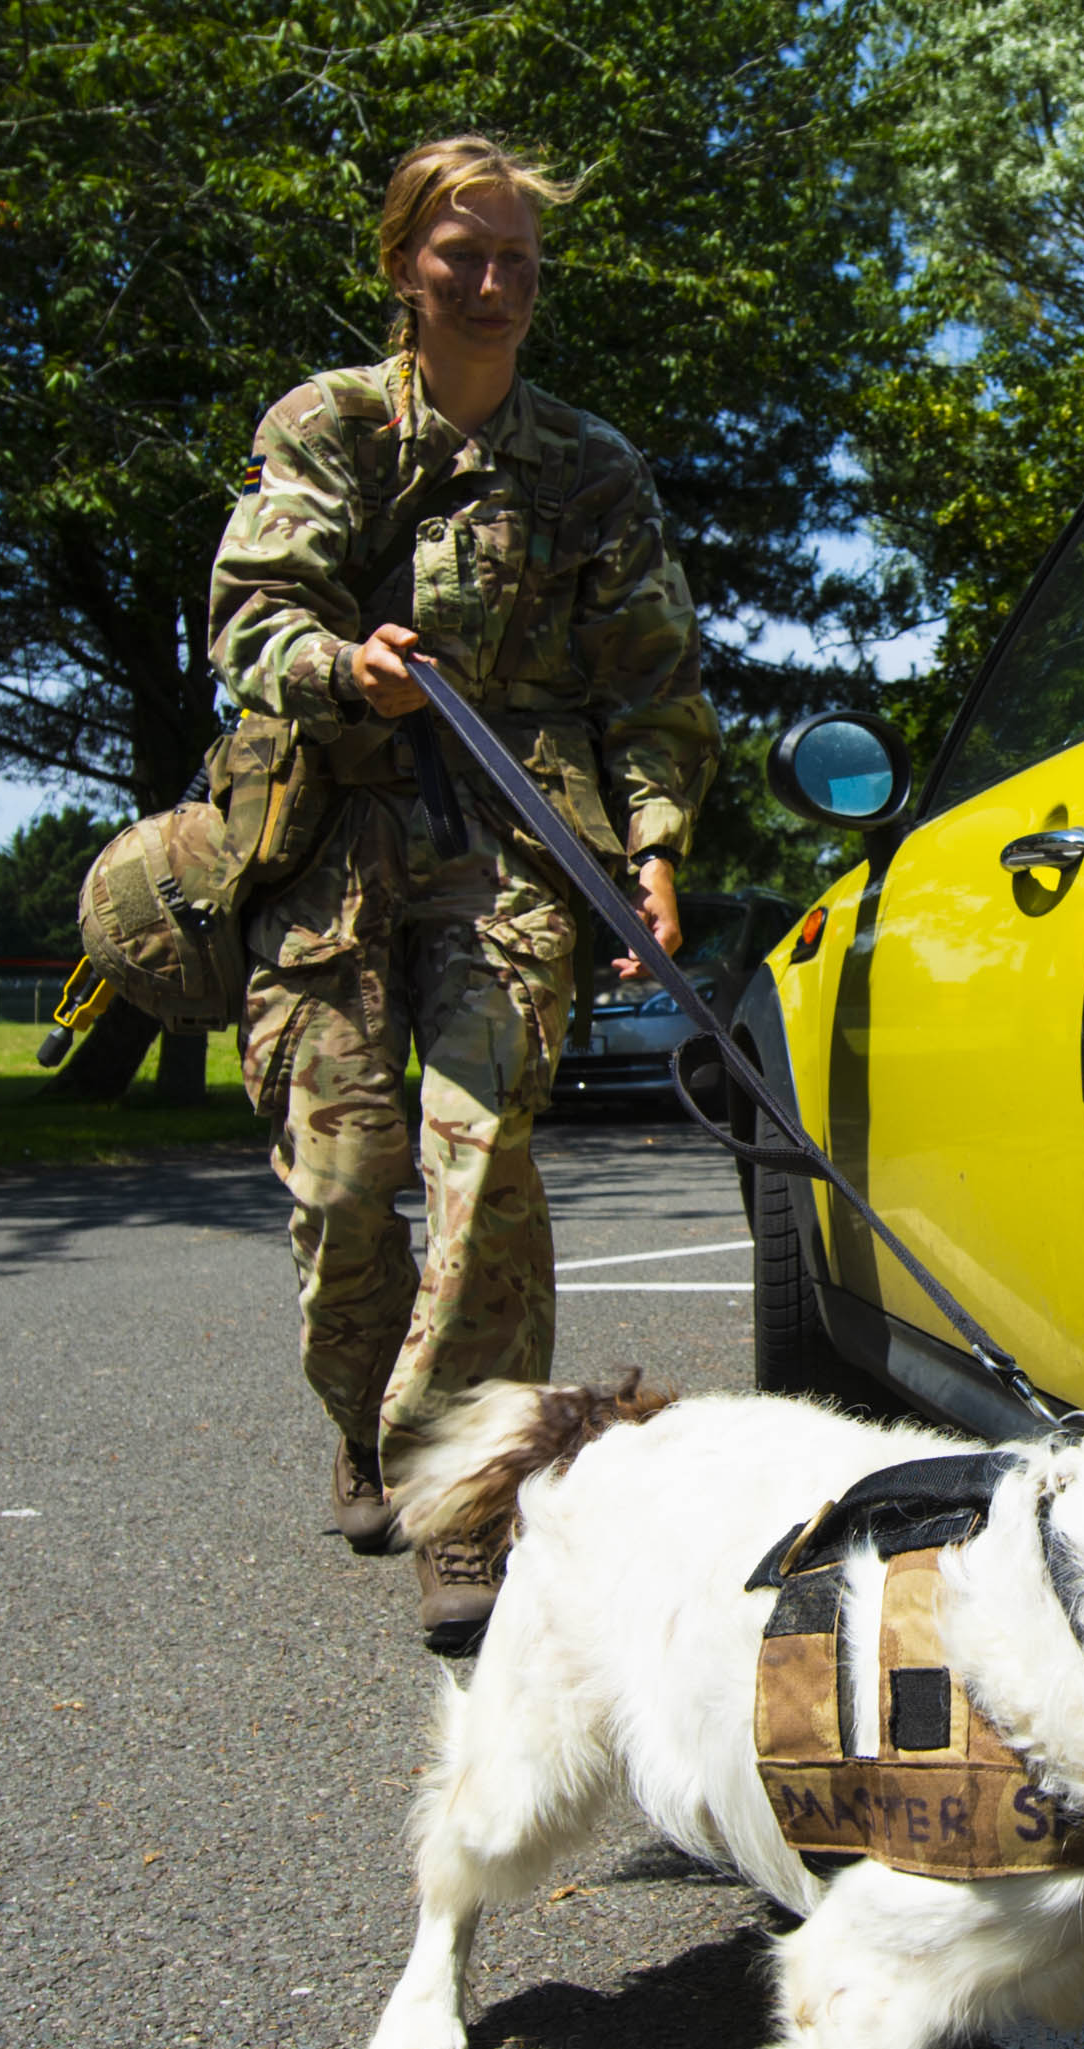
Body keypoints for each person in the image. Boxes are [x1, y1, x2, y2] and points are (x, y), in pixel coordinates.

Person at [209, 135, 720, 1652]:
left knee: (482, 1158)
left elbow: (652, 677)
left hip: (515, 849)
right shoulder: (330, 425)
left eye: (518, 259)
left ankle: (471, 1494)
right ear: (402, 267)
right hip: (329, 849)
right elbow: (251, 616)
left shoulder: (589, 466)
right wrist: (340, 667)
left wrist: (655, 843)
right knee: (347, 1194)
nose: (494, 283)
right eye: (462, 255)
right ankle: (367, 1424)